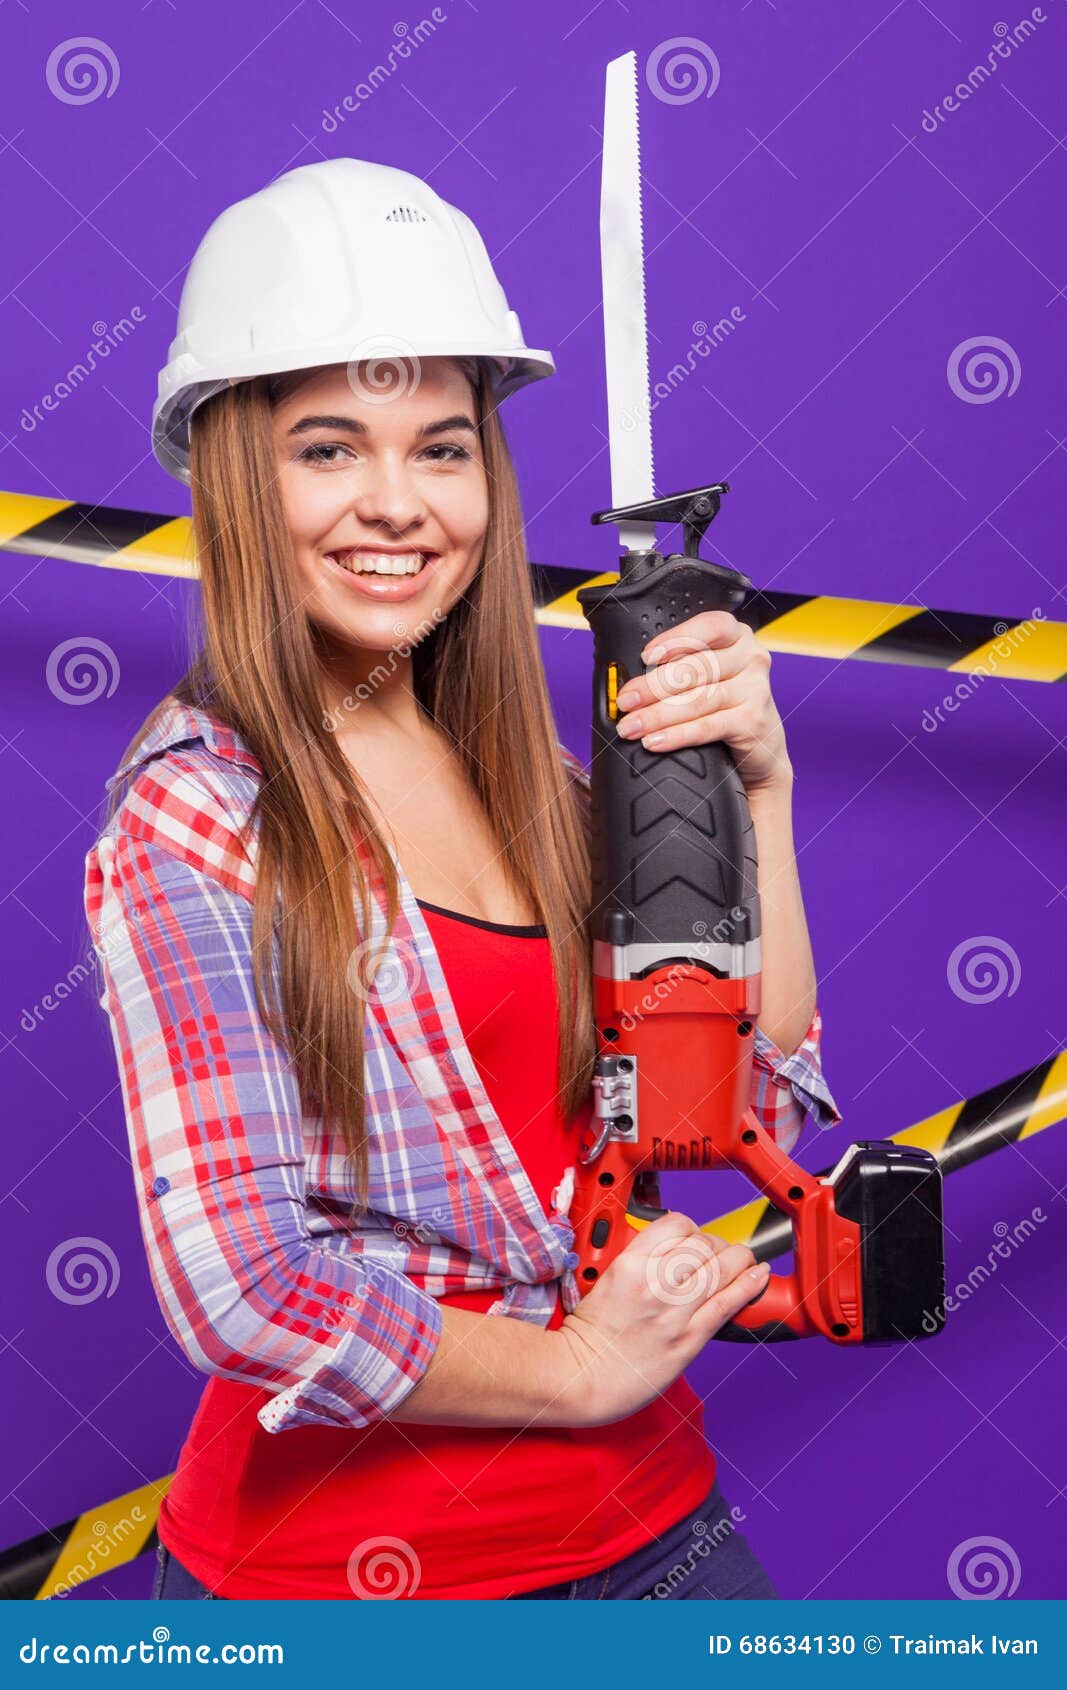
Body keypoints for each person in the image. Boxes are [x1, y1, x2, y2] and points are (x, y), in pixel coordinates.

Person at [84, 158, 842, 1602]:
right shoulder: (195, 814)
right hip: (340, 1585)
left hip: (658, 1540)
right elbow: (239, 1279)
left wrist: (760, 798)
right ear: (232, 478)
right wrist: (573, 1371)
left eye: (441, 447)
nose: (396, 502)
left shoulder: (526, 771)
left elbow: (744, 1097)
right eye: (327, 448)